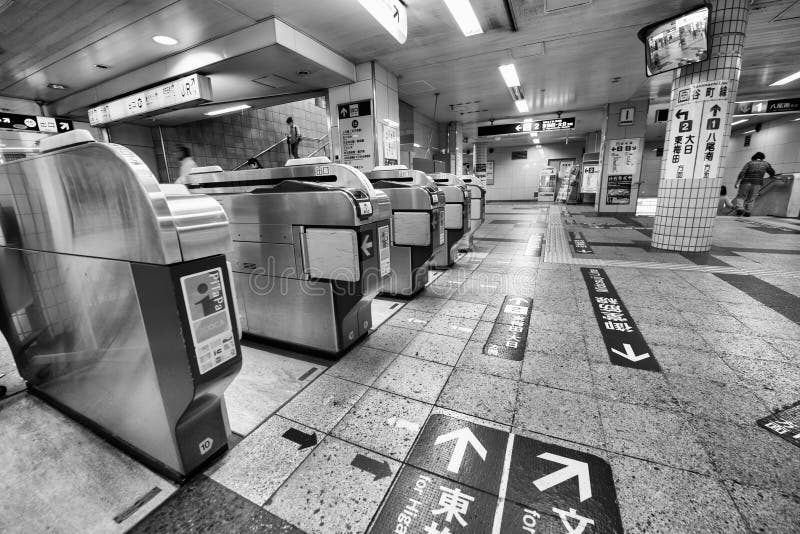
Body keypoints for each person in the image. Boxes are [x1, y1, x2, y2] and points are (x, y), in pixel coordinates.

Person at [732, 152, 776, 216]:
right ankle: (748, 212)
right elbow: (772, 172)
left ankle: (740, 208)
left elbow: (742, 173)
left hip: (745, 182)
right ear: (762, 158)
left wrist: (737, 182)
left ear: (754, 157)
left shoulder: (749, 163)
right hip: (757, 183)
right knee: (751, 198)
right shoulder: (766, 164)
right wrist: (772, 176)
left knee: (741, 196)